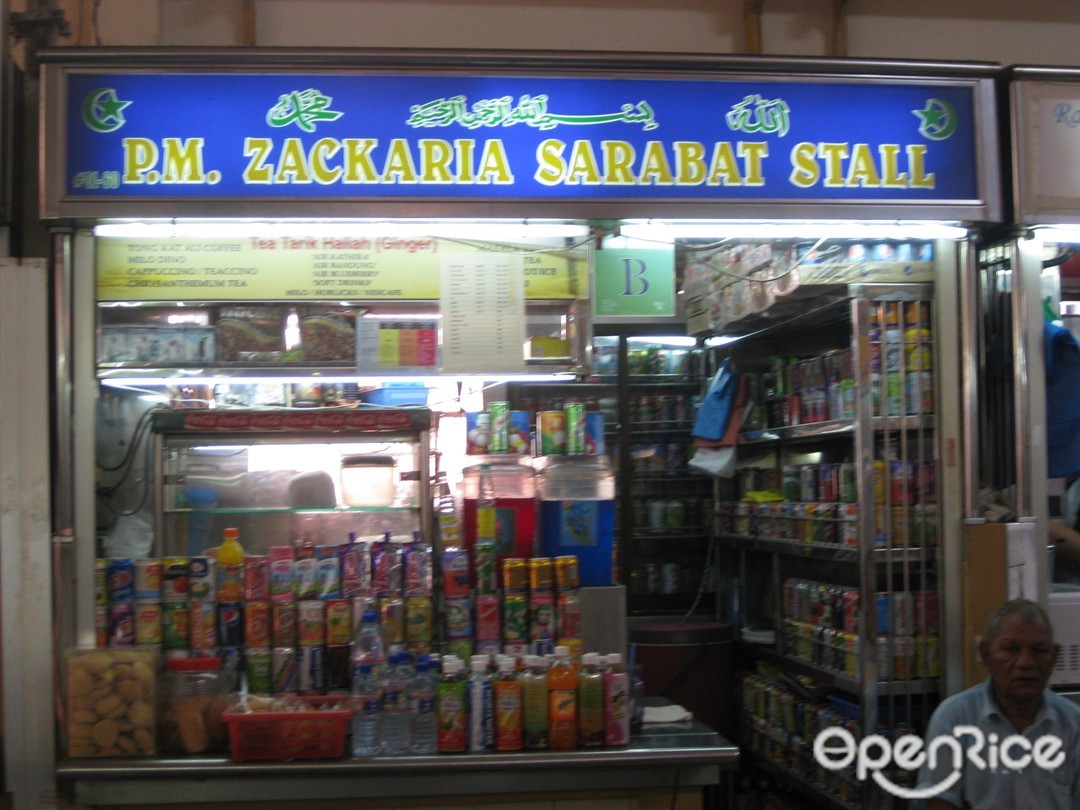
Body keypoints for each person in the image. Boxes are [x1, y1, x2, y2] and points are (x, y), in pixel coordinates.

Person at [917, 598, 1080, 809]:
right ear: (986, 655)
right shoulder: (953, 720)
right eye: (1011, 649)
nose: (1025, 663)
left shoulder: (1073, 725)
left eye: (1039, 650)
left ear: (1054, 656)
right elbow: (939, 802)